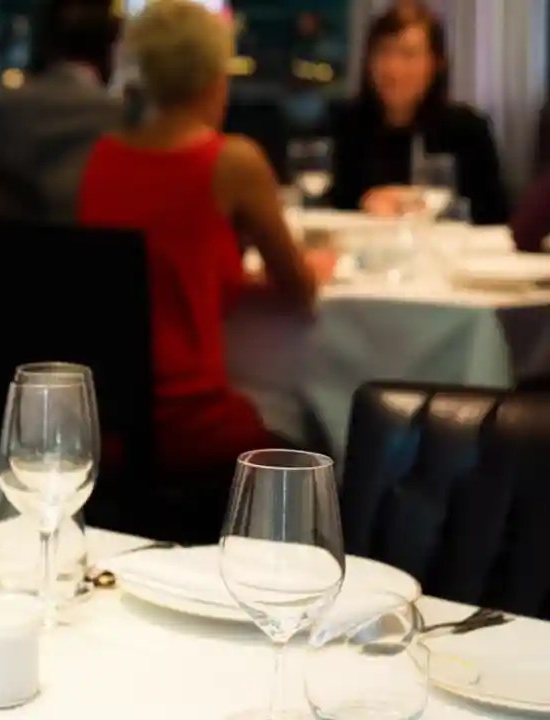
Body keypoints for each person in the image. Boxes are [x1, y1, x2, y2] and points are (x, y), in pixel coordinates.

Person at [77, 0, 329, 544]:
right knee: (320, 451)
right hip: (190, 423)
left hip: (110, 423)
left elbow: (156, 278)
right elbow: (301, 292)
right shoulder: (232, 161)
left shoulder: (102, 158)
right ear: (215, 78)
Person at [0, 0, 123, 223]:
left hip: (12, 252)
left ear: (44, 42)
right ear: (110, 51)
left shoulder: (3, 107)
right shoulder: (126, 118)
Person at [329, 7, 508, 225]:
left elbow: (494, 216)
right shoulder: (344, 125)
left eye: (408, 54)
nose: (393, 68)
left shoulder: (468, 130)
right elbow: (326, 206)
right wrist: (365, 202)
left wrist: (423, 204)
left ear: (436, 64)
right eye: (384, 52)